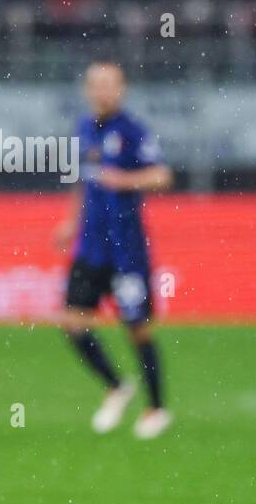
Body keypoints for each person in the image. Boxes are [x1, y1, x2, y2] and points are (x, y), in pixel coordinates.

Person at [54, 60, 174, 440]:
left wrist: (125, 179)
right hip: (91, 246)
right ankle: (116, 386)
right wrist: (71, 222)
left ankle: (156, 409)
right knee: (72, 322)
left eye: (110, 85)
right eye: (96, 85)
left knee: (137, 328)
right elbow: (83, 182)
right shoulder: (84, 128)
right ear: (88, 90)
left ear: (122, 89)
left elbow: (162, 176)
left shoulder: (134, 132)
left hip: (126, 248)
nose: (103, 91)